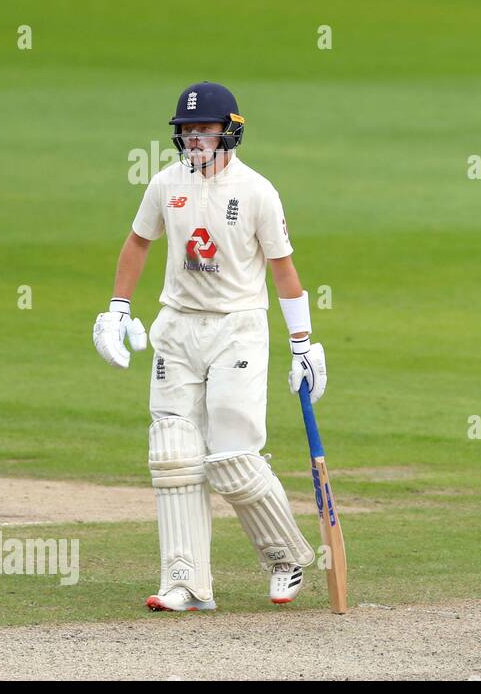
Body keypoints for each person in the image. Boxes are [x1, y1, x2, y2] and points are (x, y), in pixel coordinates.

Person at [91, 81, 328, 612]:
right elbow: (138, 241)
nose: (196, 139)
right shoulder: (164, 184)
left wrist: (303, 343)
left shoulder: (258, 191)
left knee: (232, 458)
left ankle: (286, 557)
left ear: (230, 133)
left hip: (237, 326)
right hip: (177, 326)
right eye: (188, 131)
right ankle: (187, 582)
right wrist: (118, 308)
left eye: (206, 130)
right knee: (173, 455)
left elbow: (282, 267)